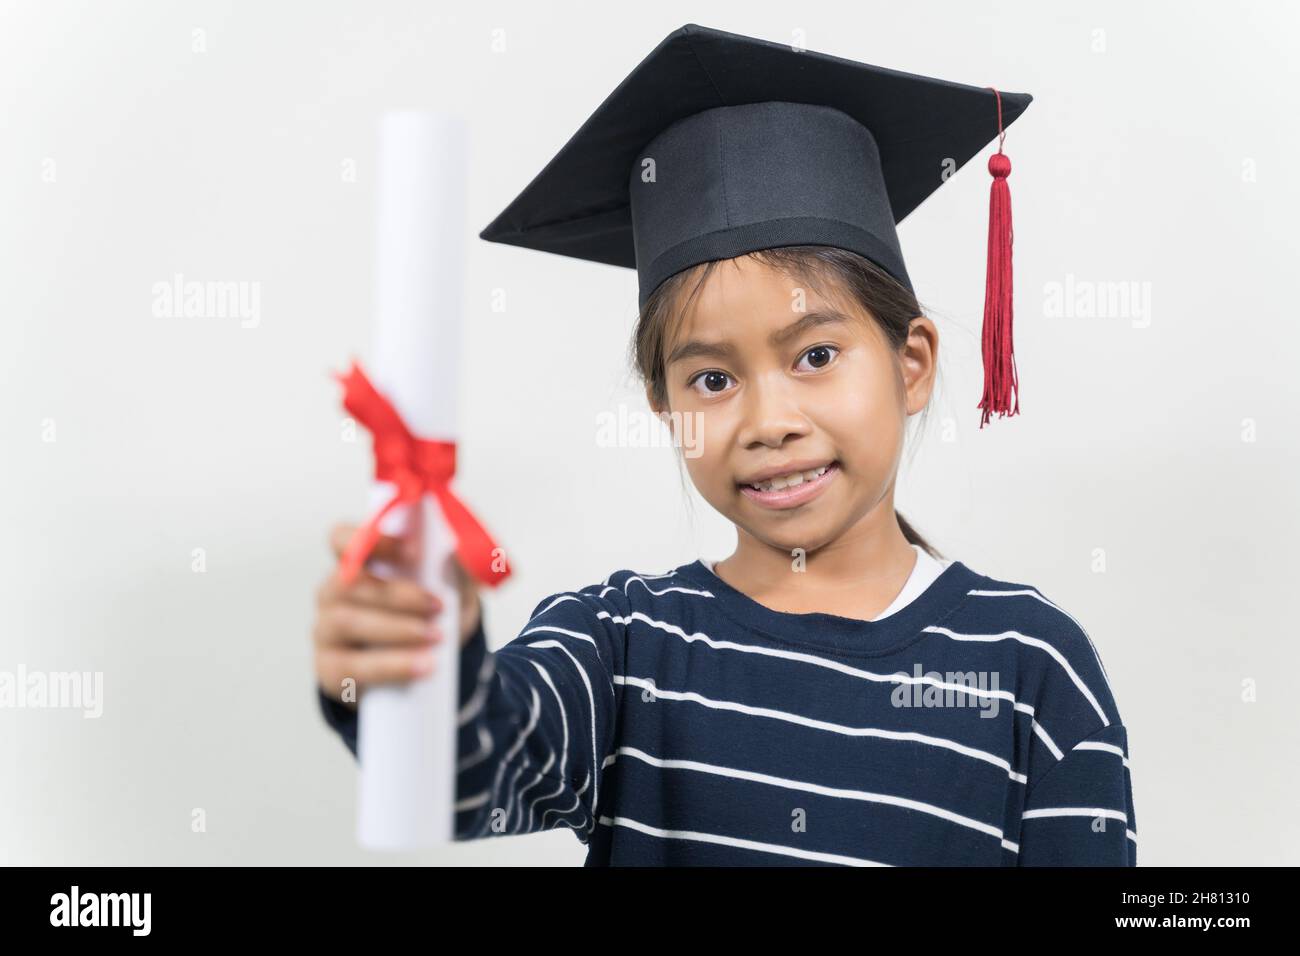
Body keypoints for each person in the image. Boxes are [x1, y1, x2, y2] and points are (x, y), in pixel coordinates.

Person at [314, 23, 1135, 866]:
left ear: (912, 364)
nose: (768, 421)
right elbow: (469, 776)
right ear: (667, 409)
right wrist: (417, 666)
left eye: (816, 355)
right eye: (712, 379)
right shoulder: (624, 647)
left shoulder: (1031, 668)